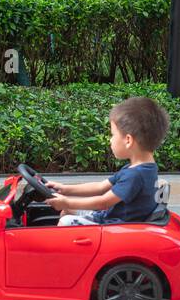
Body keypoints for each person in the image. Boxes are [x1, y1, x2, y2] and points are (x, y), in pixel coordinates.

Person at [45, 96, 170, 225]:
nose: (110, 140)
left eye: (113, 135)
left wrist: (66, 201)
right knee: (66, 210)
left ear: (128, 140)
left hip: (115, 226)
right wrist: (64, 189)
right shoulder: (142, 168)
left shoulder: (135, 175)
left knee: (65, 221)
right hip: (110, 216)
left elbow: (103, 202)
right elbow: (100, 187)